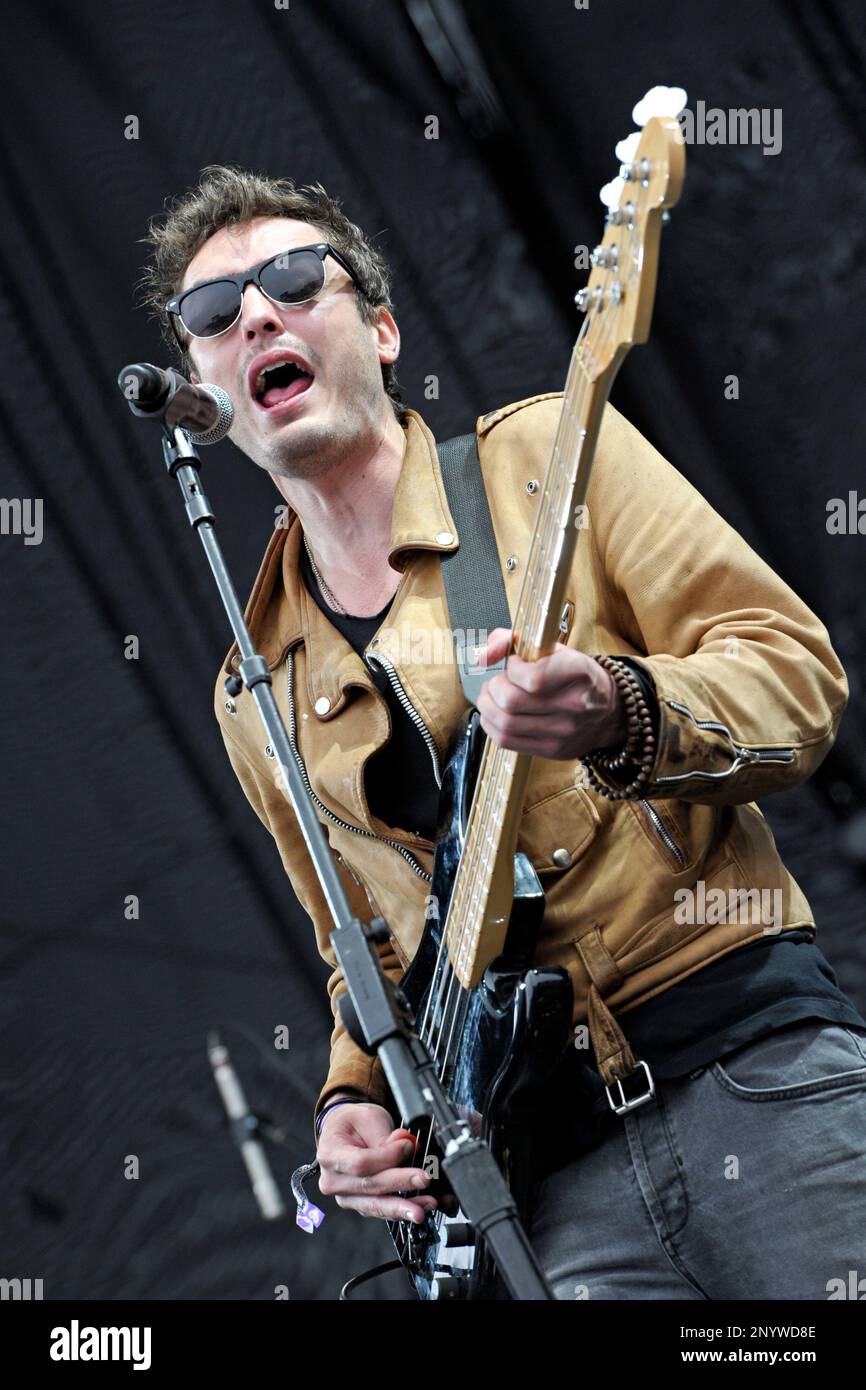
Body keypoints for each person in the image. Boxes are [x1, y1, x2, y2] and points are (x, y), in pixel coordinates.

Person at [140, 165, 866, 1299]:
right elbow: (364, 954)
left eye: (291, 278)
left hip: (750, 1081)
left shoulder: (545, 462)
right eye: (213, 313)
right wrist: (350, 1106)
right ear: (205, 394)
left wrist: (621, 709)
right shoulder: (253, 687)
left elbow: (795, 679)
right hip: (547, 1197)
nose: (258, 315)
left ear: (380, 330)